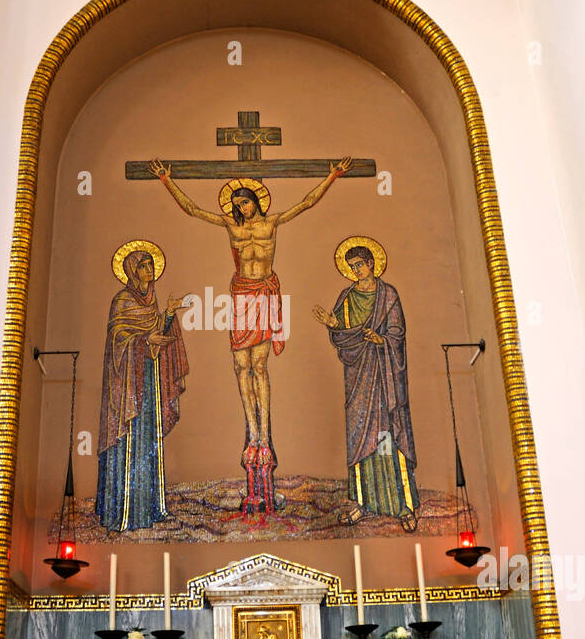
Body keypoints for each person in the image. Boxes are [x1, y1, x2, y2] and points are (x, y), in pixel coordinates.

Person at [149, 158, 352, 474]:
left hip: (264, 292)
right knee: (240, 365)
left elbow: (307, 203)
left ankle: (264, 437)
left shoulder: (271, 223)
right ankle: (252, 433)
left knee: (259, 364)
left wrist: (332, 176)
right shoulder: (232, 226)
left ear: (255, 201)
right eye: (236, 204)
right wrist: (166, 181)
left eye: (244, 202)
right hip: (242, 293)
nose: (240, 208)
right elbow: (192, 210)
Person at [314, 241, 419, 528]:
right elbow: (343, 336)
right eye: (352, 267)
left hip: (385, 377)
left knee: (387, 433)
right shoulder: (347, 297)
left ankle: (403, 506)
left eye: (359, 265)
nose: (356, 271)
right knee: (362, 435)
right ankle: (363, 503)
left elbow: (397, 333)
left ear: (371, 263)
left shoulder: (388, 296)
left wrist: (381, 340)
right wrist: (333, 324)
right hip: (359, 377)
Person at [96, 245, 189, 532]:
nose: (149, 271)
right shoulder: (122, 301)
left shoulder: (151, 301)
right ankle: (124, 513)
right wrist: (144, 342)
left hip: (148, 380)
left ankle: (149, 508)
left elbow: (157, 330)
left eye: (151, 265)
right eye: (144, 266)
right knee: (131, 441)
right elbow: (118, 340)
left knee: (149, 440)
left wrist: (169, 315)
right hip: (126, 386)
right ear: (132, 271)